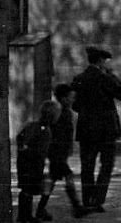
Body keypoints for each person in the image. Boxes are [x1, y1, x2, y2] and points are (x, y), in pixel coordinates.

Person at [71, 46, 121, 213]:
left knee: (87, 166)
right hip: (106, 130)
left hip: (86, 130)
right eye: (105, 61)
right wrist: (112, 75)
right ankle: (97, 200)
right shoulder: (105, 78)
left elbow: (75, 104)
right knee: (106, 165)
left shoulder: (79, 78)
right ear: (101, 61)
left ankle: (87, 200)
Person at [39, 84, 87, 221]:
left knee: (52, 181)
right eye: (70, 97)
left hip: (60, 153)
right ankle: (76, 207)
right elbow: (56, 134)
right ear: (63, 98)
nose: (73, 100)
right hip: (57, 153)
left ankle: (41, 209)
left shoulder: (65, 112)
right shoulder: (59, 112)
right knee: (67, 176)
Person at [17, 100, 60, 223]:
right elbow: (21, 140)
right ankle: (23, 217)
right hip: (29, 164)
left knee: (31, 189)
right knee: (27, 190)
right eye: (55, 114)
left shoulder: (45, 129)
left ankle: (28, 215)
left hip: (36, 164)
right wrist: (27, 154)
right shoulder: (36, 127)